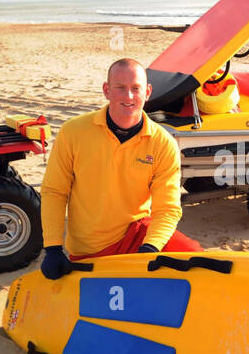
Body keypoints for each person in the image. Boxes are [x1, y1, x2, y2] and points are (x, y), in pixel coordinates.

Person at [40, 57, 201, 279]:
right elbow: (54, 192)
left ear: (148, 92)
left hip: (137, 235)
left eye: (136, 88)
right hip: (90, 249)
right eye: (120, 88)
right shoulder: (73, 132)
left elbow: (167, 208)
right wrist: (53, 248)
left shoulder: (163, 142)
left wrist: (150, 249)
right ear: (107, 90)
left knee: (195, 258)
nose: (129, 97)